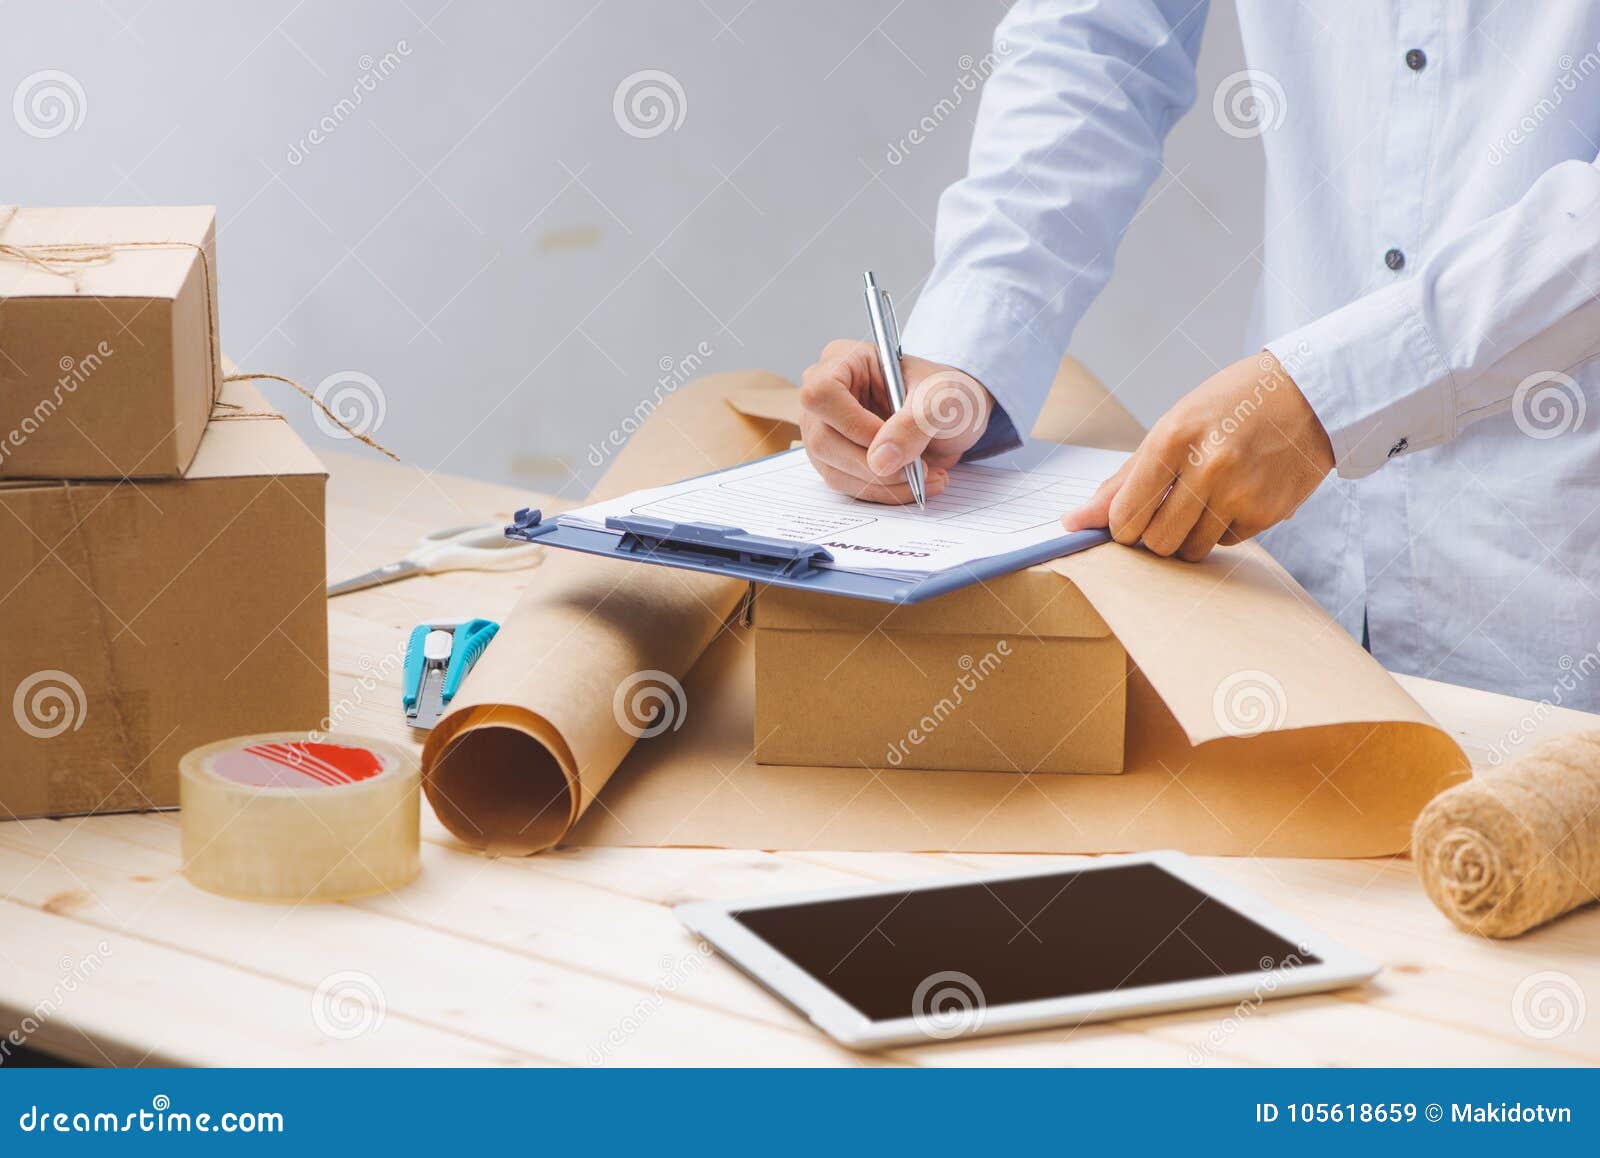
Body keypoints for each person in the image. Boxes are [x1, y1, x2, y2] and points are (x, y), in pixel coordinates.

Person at [797, 1, 1600, 706]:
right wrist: (969, 345)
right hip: (1293, 582)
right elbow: (1096, 36)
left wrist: (1337, 393)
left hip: (1559, 587)